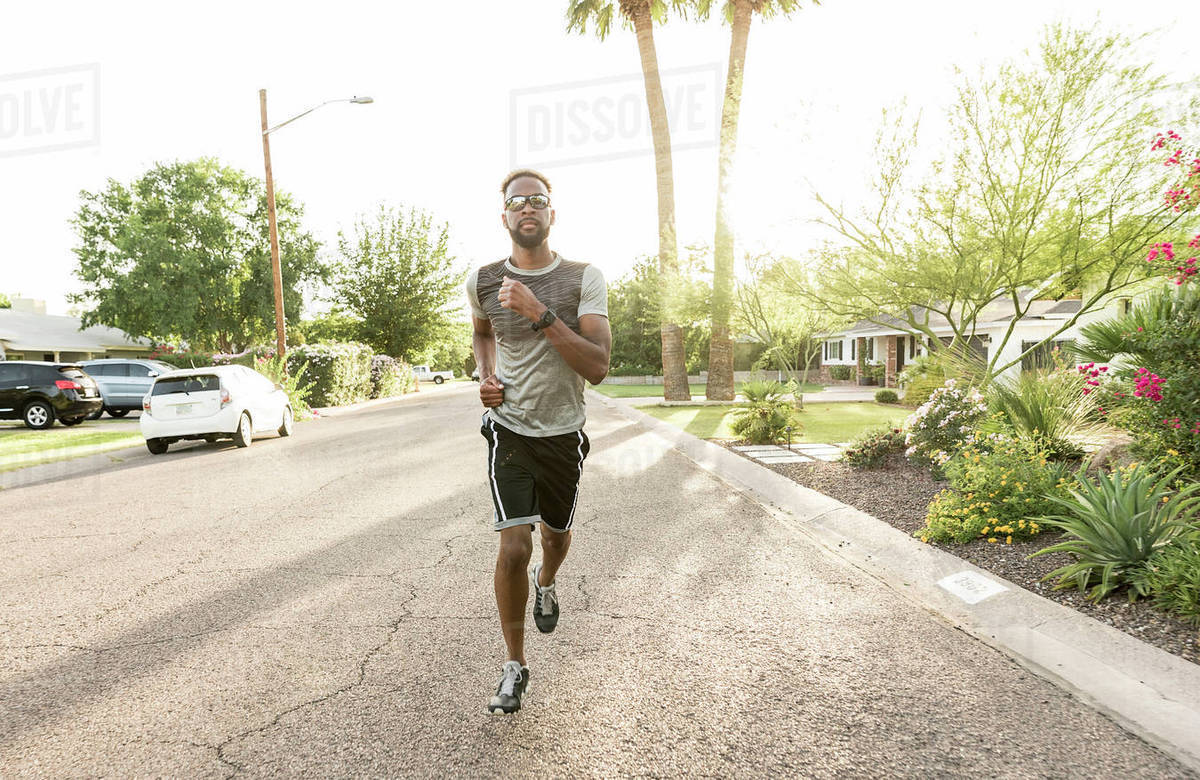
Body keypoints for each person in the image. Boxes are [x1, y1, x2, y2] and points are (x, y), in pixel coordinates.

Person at [466, 169, 611, 715]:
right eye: (517, 201)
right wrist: (486, 374)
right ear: (503, 215)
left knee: (554, 539)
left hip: (563, 433)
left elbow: (596, 366)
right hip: (511, 428)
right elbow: (483, 333)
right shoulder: (481, 280)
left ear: (552, 214)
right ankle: (514, 665)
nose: (527, 208)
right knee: (513, 543)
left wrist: (539, 312)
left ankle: (547, 581)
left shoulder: (583, 278)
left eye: (538, 201)